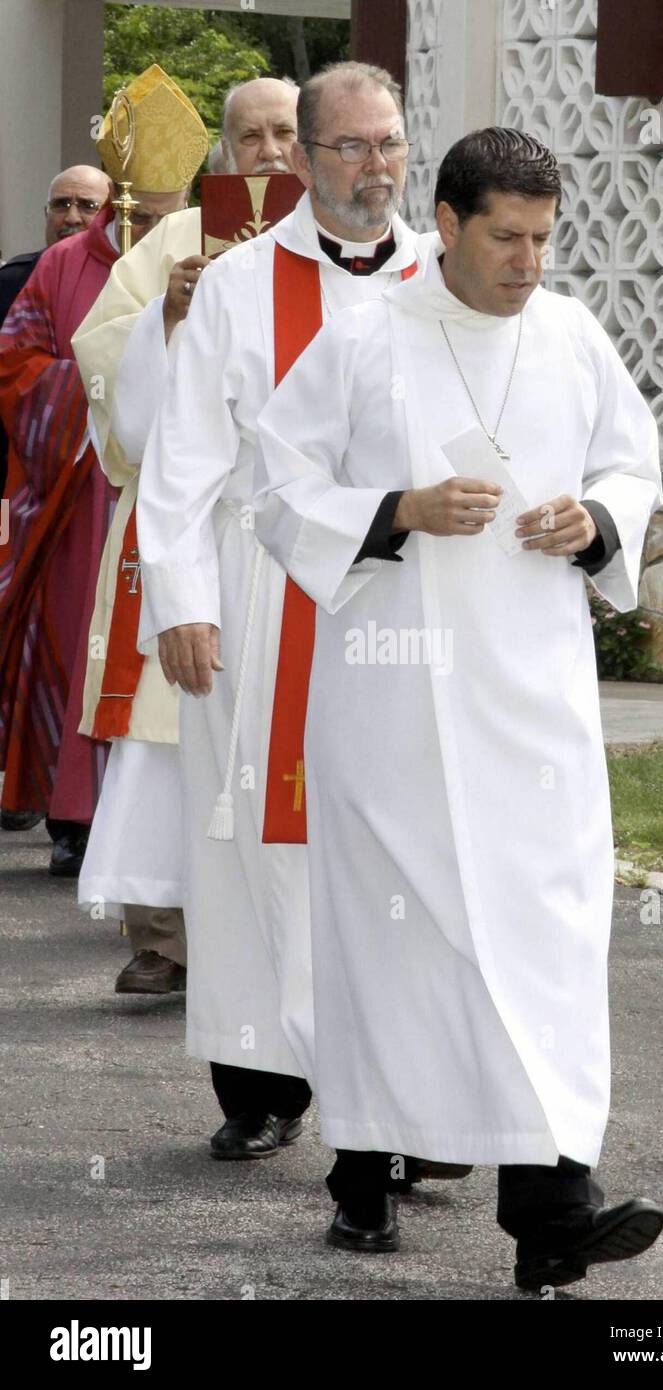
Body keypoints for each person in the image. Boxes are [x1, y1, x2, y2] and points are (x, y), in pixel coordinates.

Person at [252, 128, 663, 1290]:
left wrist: (596, 518)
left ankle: (552, 1214)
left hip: (533, 704)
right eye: (506, 236)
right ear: (444, 222)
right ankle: (366, 1165)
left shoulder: (574, 335)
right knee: (401, 943)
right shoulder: (364, 335)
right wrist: (398, 509)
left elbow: (634, 464)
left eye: (543, 236)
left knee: (546, 933)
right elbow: (276, 483)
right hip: (393, 704)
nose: (529, 260)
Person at [136, 62, 436, 1162]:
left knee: (403, 844)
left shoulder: (445, 280)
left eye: (389, 143)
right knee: (257, 836)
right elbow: (181, 459)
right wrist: (181, 599)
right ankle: (263, 1079)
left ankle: (415, 1096)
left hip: (409, 603)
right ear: (302, 159)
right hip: (261, 602)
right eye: (350, 147)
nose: (374, 167)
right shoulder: (238, 285)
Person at [72, 77, 297, 995]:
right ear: (220, 153)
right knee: (172, 723)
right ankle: (164, 932)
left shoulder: (349, 251)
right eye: (252, 136)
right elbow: (105, 372)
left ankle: (286, 925)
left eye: (287, 132)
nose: (271, 152)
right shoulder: (173, 241)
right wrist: (167, 318)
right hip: (190, 518)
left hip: (291, 524)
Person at [0, 66, 201, 880]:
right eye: (132, 205)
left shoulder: (204, 249)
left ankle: (153, 831)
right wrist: (93, 399)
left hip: (174, 483)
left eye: (159, 210)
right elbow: (18, 359)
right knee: (74, 642)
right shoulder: (60, 266)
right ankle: (73, 815)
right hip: (82, 494)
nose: (140, 221)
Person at [0, 167, 112, 578]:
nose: (72, 216)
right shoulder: (11, 281)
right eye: (61, 205)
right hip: (15, 474)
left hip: (97, 483)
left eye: (87, 205)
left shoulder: (128, 278)